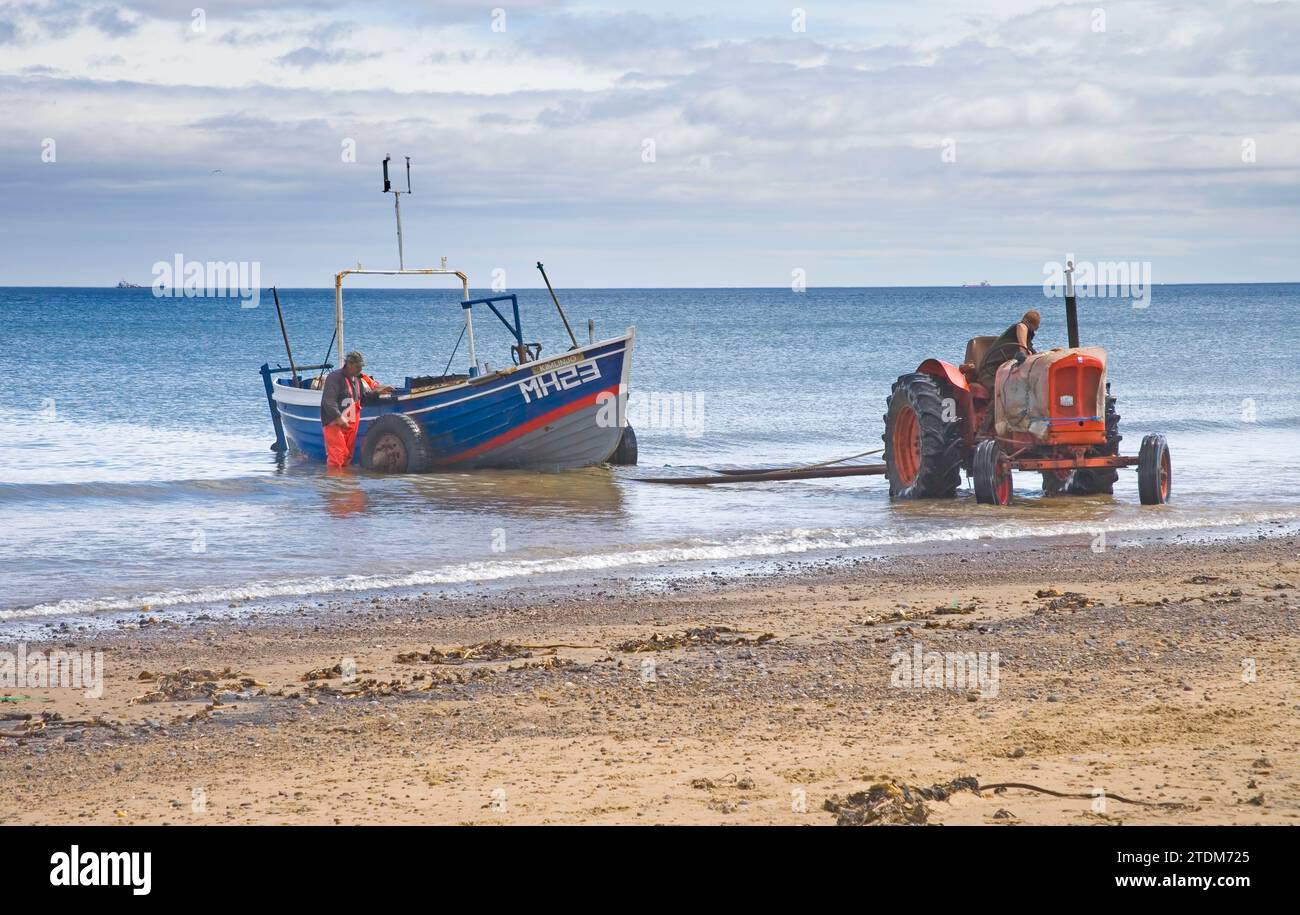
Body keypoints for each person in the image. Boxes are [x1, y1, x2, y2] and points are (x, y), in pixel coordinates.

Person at [320, 351, 394, 468]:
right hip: (334, 423)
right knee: (337, 456)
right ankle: (333, 483)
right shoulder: (334, 378)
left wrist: (377, 392)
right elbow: (328, 402)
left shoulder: (357, 379)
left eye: (361, 367)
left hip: (351, 424)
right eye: (358, 366)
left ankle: (345, 484)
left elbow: (362, 398)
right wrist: (339, 418)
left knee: (347, 456)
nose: (360, 369)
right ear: (349, 364)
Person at [977, 309, 1040, 388]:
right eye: (1033, 327)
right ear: (1028, 323)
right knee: (1004, 388)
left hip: (1005, 370)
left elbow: (1031, 354)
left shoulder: (1027, 340)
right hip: (990, 371)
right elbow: (1022, 328)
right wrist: (1024, 351)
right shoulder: (1021, 326)